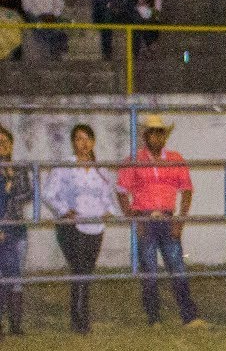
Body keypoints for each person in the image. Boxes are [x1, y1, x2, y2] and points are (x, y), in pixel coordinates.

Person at [115, 114, 206, 328]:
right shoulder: (134, 160)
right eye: (153, 133)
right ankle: (154, 317)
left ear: (165, 136)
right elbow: (121, 190)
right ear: (146, 136)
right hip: (145, 218)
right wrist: (132, 215)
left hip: (167, 217)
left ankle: (188, 316)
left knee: (177, 267)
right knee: (150, 269)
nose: (157, 137)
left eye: (160, 133)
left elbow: (187, 191)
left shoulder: (175, 158)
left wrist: (180, 220)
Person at [42, 124, 118, 334]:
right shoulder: (65, 166)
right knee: (80, 270)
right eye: (78, 139)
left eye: (86, 139)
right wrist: (65, 211)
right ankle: (80, 319)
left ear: (93, 142)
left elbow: (108, 196)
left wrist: (108, 211)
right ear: (73, 143)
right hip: (72, 226)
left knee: (86, 272)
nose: (83, 143)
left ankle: (80, 316)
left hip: (96, 226)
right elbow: (48, 193)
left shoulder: (100, 169)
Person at [0, 124, 31, 336]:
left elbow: (28, 194)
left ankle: (16, 324)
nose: (2, 146)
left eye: (5, 142)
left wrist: (10, 189)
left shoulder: (19, 169)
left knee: (16, 276)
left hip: (16, 228)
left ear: (11, 145)